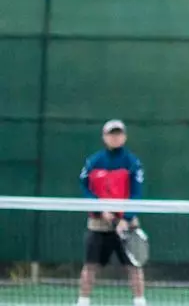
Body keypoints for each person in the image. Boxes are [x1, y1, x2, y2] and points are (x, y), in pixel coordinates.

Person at [77, 119, 146, 306]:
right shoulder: (93, 162)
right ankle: (83, 302)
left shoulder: (132, 163)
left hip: (127, 224)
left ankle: (140, 302)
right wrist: (100, 209)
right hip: (98, 224)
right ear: (104, 137)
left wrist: (126, 218)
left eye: (118, 134)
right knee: (90, 266)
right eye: (111, 134)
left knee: (134, 267)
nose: (115, 137)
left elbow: (136, 193)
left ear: (124, 137)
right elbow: (85, 187)